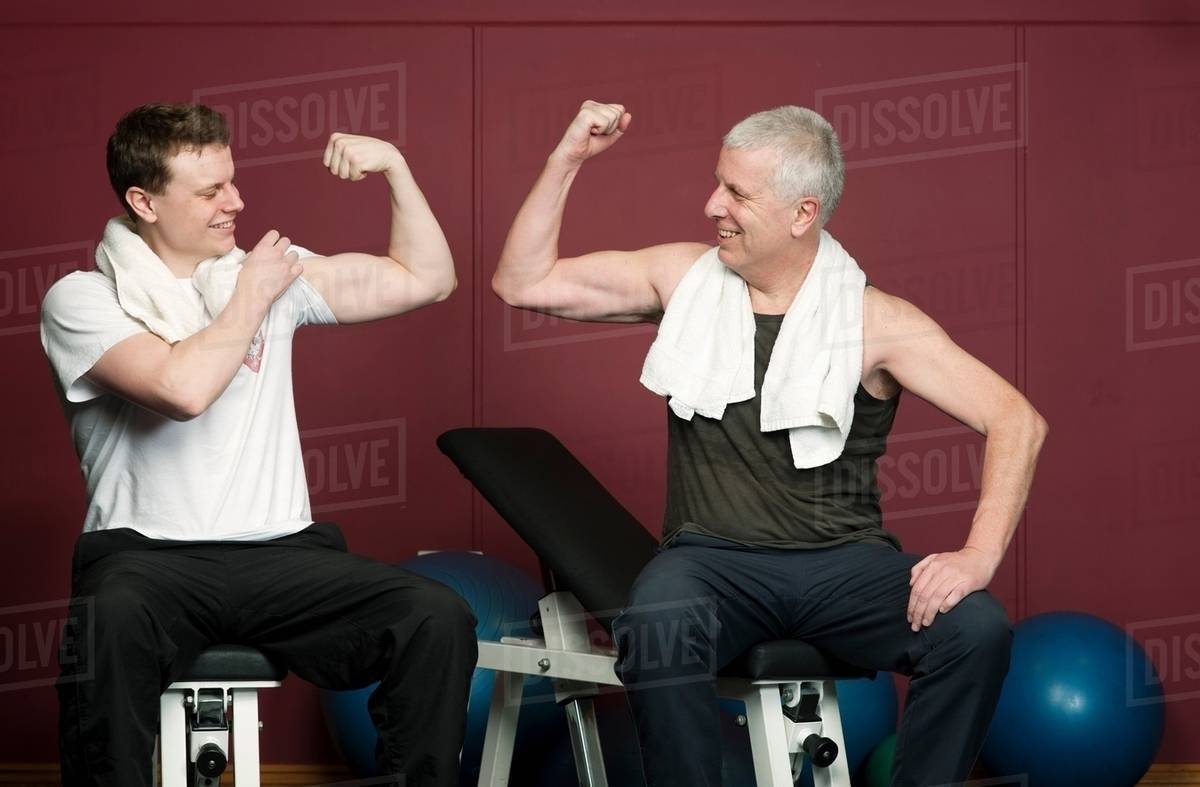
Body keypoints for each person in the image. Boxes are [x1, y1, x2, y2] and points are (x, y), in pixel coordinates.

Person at [492, 100, 1048, 787]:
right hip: (712, 562)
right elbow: (521, 280)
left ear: (802, 213)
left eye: (736, 193)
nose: (711, 205)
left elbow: (1015, 420)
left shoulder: (878, 321)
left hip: (843, 567)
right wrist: (568, 157)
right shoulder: (683, 280)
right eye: (718, 182)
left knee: (975, 630)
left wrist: (977, 554)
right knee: (657, 626)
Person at [40, 103, 477, 787]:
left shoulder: (268, 274)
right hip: (147, 563)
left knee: (435, 615)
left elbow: (429, 279)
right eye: (210, 191)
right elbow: (182, 390)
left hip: (280, 556)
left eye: (232, 182)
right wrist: (253, 297)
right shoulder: (83, 300)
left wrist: (394, 166)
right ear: (143, 201)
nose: (235, 202)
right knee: (108, 622)